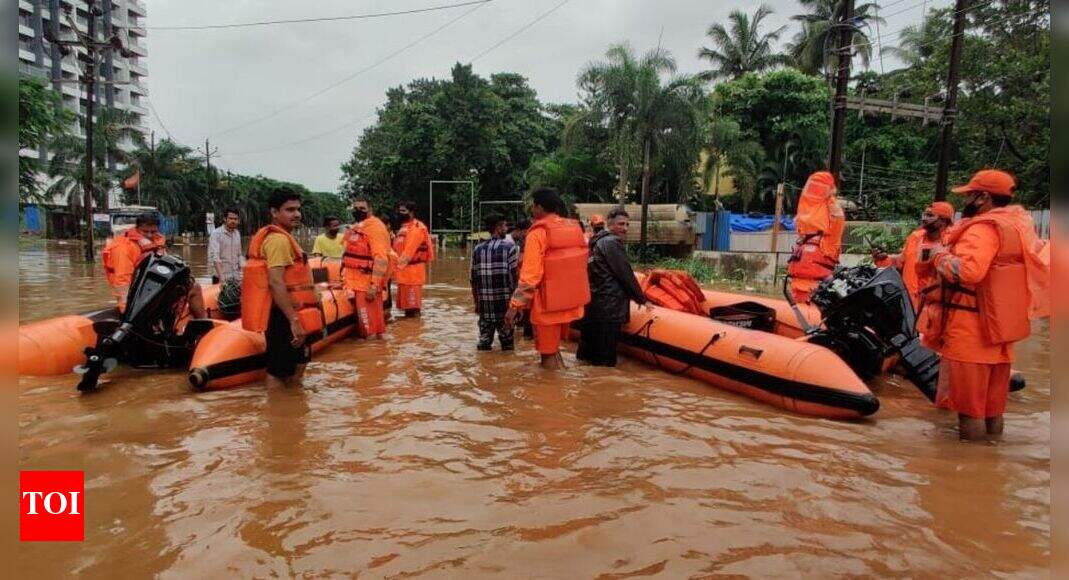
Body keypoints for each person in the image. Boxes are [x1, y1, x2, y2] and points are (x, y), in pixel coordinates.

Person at [924, 170, 1049, 441]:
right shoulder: (1016, 227)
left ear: (982, 197)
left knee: (969, 412)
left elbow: (968, 272)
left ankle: (968, 475)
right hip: (1000, 332)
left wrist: (939, 257)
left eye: (970, 195)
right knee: (993, 411)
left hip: (971, 332)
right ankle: (991, 469)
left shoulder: (982, 228)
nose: (966, 200)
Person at [241, 188, 320, 388]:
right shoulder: (278, 240)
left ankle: (291, 409)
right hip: (283, 315)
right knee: (279, 371)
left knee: (298, 364)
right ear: (274, 212)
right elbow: (276, 282)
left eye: (298, 209)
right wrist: (293, 320)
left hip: (294, 311)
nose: (296, 214)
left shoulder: (285, 237)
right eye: (289, 210)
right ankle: (277, 414)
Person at [504, 188, 590, 370]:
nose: (532, 210)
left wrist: (515, 306)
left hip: (547, 306)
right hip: (570, 304)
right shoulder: (573, 228)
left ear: (540, 208)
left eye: (533, 206)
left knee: (547, 356)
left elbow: (530, 276)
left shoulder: (537, 233)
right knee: (555, 350)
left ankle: (552, 394)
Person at [577, 209, 650, 366]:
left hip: (593, 308)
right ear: (609, 224)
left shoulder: (594, 244)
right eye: (621, 224)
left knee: (587, 357)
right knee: (605, 362)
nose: (625, 228)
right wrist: (642, 300)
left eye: (627, 224)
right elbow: (625, 274)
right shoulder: (611, 242)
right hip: (609, 309)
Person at [102, 213, 207, 318]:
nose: (149, 235)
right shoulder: (123, 248)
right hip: (138, 296)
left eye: (153, 232)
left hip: (154, 290)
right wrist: (126, 310)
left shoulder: (157, 242)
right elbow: (122, 282)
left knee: (192, 285)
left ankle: (201, 324)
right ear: (137, 229)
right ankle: (204, 324)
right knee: (195, 288)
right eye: (145, 232)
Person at [873, 201, 956, 312]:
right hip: (909, 303)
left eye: (930, 215)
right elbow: (901, 262)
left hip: (934, 308)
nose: (924, 218)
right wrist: (884, 259)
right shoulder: (915, 237)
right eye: (924, 214)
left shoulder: (953, 242)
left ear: (943, 221)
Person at [787, 171, 846, 303]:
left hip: (817, 293)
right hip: (797, 289)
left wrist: (830, 196)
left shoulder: (829, 234)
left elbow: (837, 217)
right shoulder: (804, 230)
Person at [342, 197, 391, 339]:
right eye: (355, 209)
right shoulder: (359, 227)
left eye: (362, 209)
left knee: (368, 329)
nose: (358, 211)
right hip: (355, 282)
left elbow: (381, 259)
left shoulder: (375, 228)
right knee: (368, 327)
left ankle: (371, 357)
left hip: (366, 284)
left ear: (370, 209)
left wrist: (374, 285)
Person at [471, 213, 519, 351]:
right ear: (498, 228)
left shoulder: (477, 249)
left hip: (485, 308)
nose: (506, 229)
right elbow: (515, 279)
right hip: (505, 308)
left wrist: (476, 303)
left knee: (484, 346)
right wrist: (517, 307)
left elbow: (473, 280)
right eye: (504, 226)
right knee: (508, 348)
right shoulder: (510, 248)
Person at [392, 200, 435, 317]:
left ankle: (415, 332)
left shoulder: (417, 228)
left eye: (403, 211)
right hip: (404, 275)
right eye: (399, 211)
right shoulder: (403, 228)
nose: (400, 213)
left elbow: (408, 253)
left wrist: (392, 270)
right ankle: (409, 333)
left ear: (411, 212)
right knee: (407, 309)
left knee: (414, 309)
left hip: (413, 275)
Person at [207, 207, 243, 284]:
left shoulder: (237, 234)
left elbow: (239, 255)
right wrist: (222, 278)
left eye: (235, 219)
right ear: (225, 219)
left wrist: (243, 271)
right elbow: (215, 257)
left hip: (235, 277)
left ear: (238, 220)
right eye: (230, 218)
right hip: (220, 277)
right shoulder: (216, 234)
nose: (233, 221)